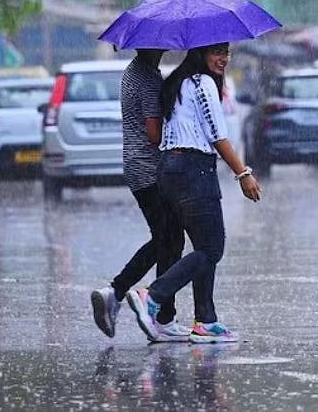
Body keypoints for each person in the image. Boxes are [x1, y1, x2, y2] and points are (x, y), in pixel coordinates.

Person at [126, 43, 261, 344]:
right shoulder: (202, 84)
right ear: (199, 53)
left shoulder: (177, 82)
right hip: (193, 169)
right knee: (212, 248)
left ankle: (206, 320)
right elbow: (217, 134)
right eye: (216, 52)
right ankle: (153, 295)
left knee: (201, 247)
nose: (223, 59)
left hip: (169, 171)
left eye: (226, 52)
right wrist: (243, 173)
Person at [91, 48, 188, 340]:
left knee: (166, 238)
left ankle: (137, 301)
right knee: (170, 239)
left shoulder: (134, 72)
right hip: (149, 170)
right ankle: (151, 308)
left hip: (137, 167)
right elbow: (154, 133)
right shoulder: (147, 79)